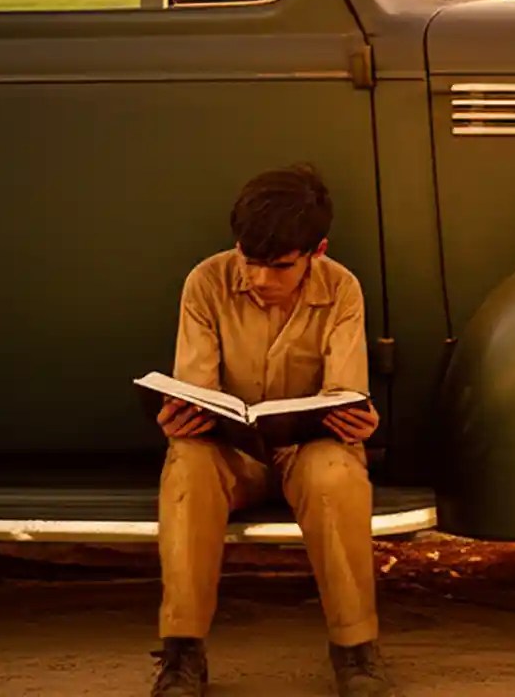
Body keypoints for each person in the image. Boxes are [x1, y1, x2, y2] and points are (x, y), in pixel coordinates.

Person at [151, 164, 395, 697]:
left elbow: (344, 390)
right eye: (250, 261)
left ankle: (356, 653)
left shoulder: (342, 289)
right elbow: (196, 386)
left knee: (336, 474)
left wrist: (360, 419)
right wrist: (179, 416)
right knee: (187, 465)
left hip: (308, 452)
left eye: (280, 266)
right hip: (230, 455)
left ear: (317, 251)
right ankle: (181, 654)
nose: (262, 280)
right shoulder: (206, 282)